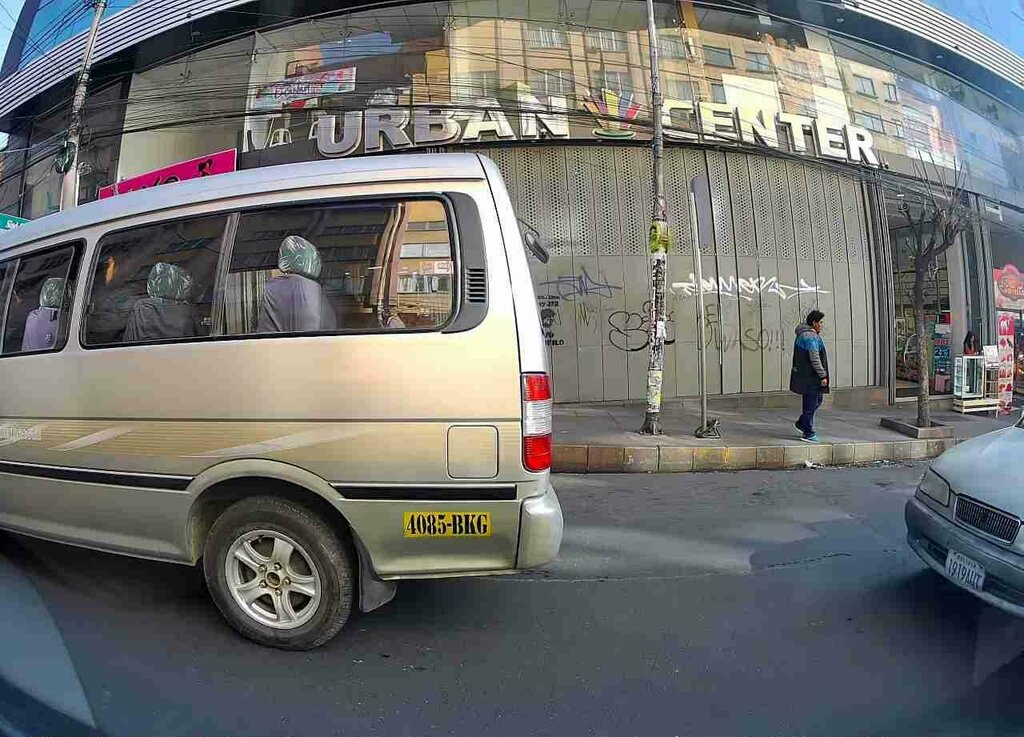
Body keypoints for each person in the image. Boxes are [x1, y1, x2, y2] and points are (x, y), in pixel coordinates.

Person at [790, 309, 829, 443]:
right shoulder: (810, 337)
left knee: (816, 401)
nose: (822, 325)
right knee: (811, 404)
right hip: (810, 377)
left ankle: (802, 423)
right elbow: (815, 358)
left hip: (806, 376)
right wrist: (822, 375)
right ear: (814, 323)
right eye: (821, 322)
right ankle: (808, 432)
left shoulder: (806, 335)